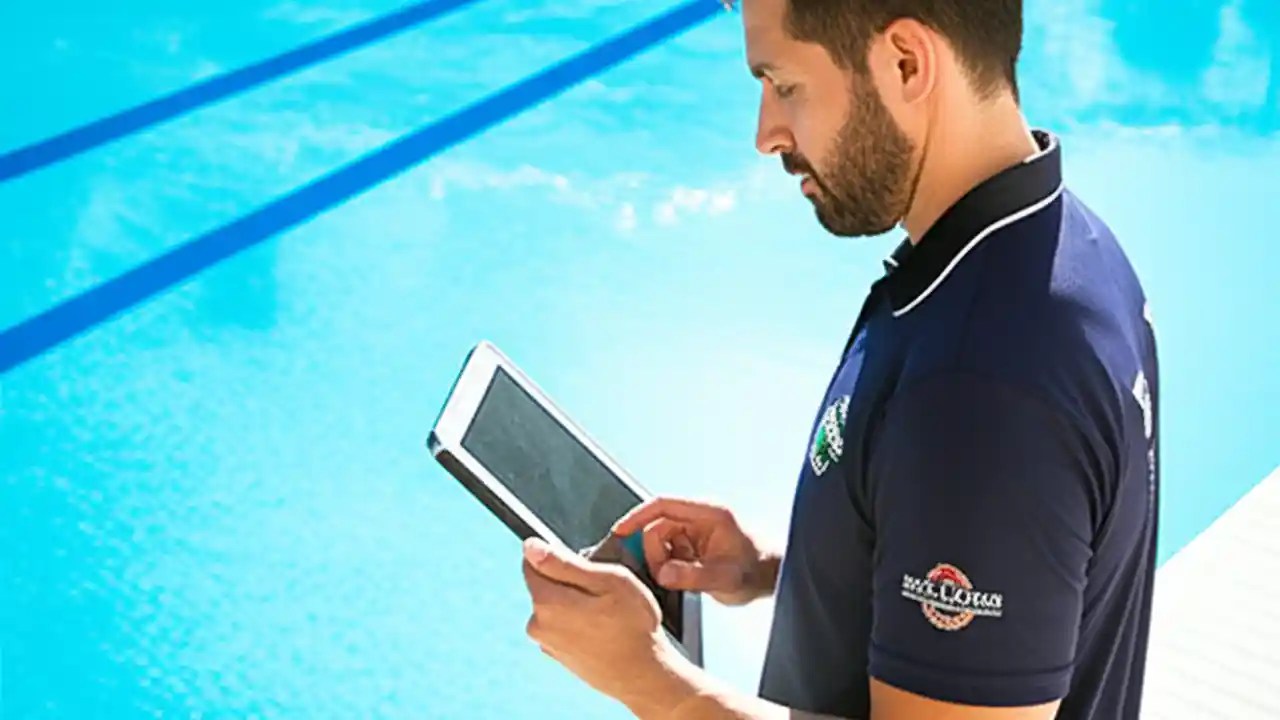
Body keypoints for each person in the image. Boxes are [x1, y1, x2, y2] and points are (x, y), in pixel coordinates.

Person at [519, 0, 1160, 717]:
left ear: (906, 63)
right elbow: (1014, 587)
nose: (766, 134)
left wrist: (647, 677)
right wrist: (785, 568)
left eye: (785, 85)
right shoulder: (1065, 248)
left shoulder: (980, 390)